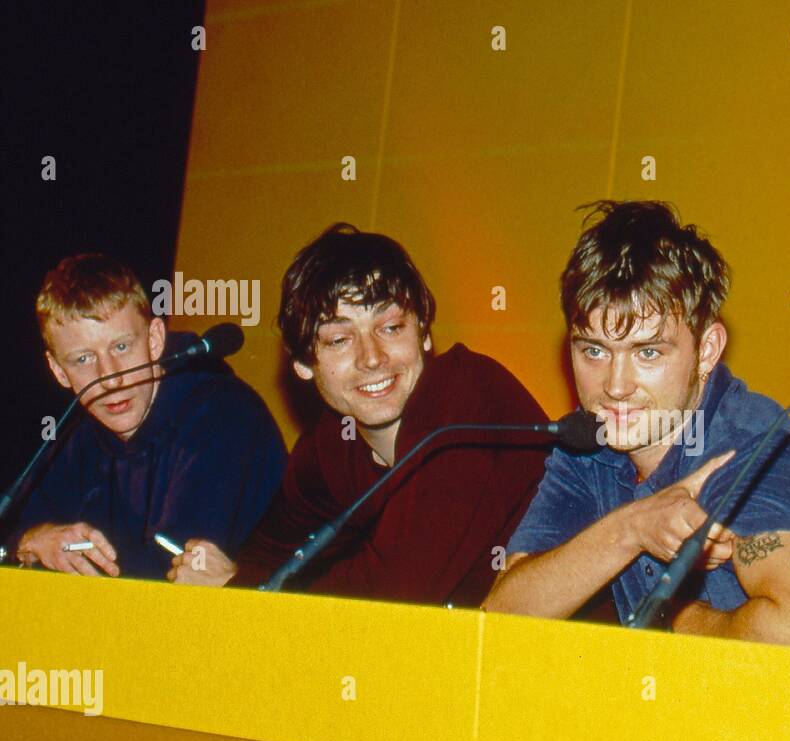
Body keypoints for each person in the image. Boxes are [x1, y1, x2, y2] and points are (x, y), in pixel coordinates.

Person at [484, 201, 790, 649]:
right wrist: (630, 529)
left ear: (707, 350)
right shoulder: (590, 442)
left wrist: (684, 619)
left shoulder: (746, 447)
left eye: (648, 353)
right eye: (593, 350)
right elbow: (500, 617)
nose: (614, 386)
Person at [170, 223, 550, 606]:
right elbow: (269, 552)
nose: (372, 357)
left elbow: (395, 595)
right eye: (339, 339)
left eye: (390, 327)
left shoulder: (467, 394)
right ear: (303, 361)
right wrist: (243, 582)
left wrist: (241, 589)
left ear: (424, 331)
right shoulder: (335, 441)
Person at [8, 253, 286, 580]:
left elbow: (166, 578)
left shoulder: (223, 415)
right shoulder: (76, 437)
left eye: (122, 347)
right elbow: (14, 529)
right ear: (59, 371)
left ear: (154, 340)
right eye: (83, 358)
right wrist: (33, 540)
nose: (110, 379)